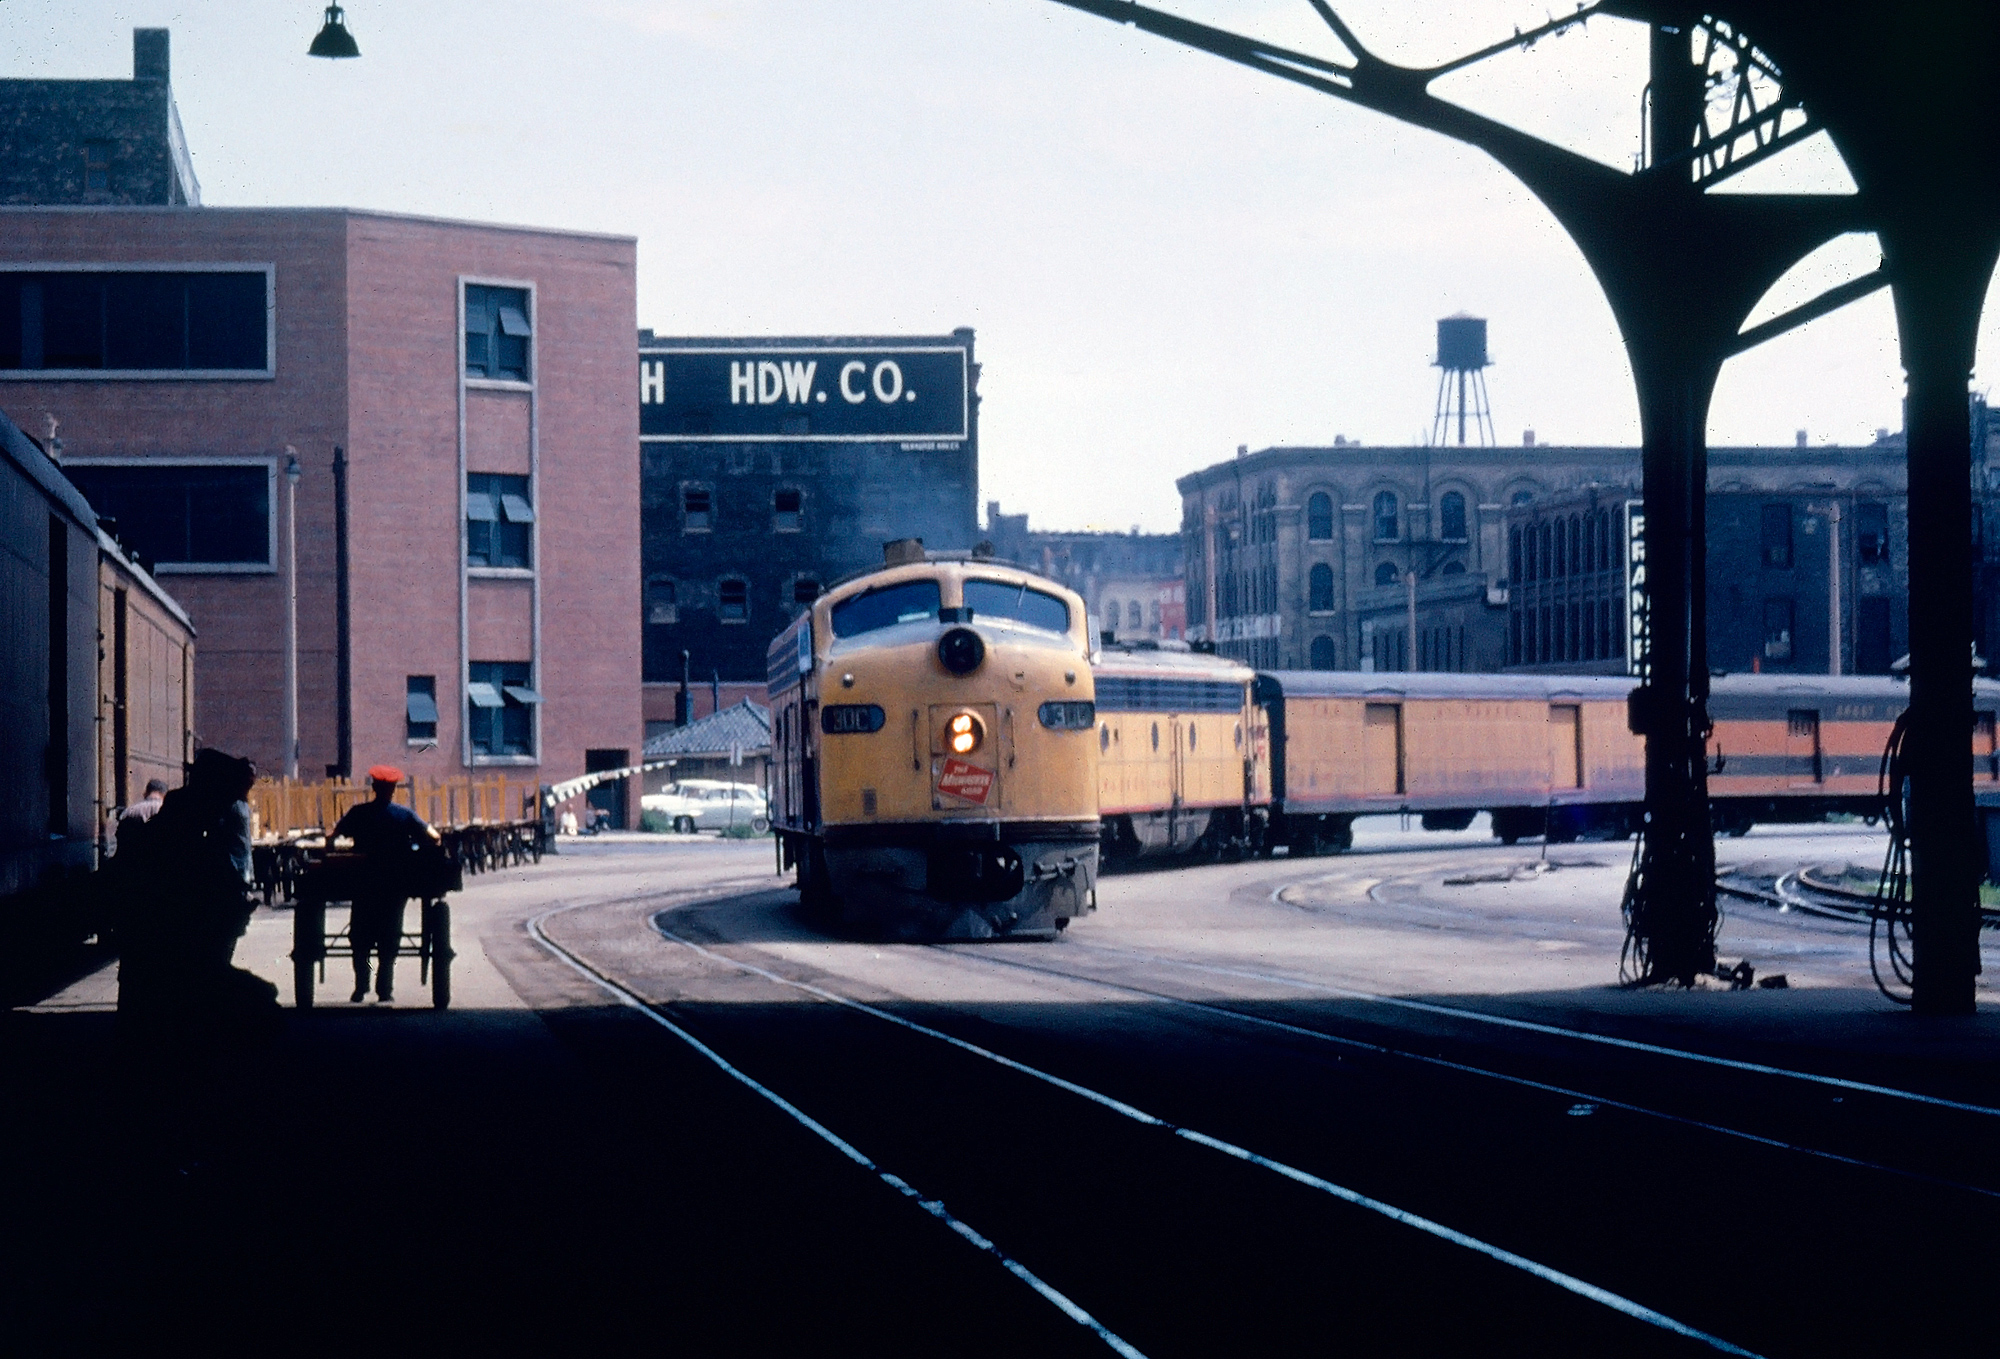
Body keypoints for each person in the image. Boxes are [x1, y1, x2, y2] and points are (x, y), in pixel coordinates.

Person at [331, 765, 432, 1004]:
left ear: (374, 787)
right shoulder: (404, 815)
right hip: (395, 885)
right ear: (393, 790)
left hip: (363, 883)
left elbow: (335, 835)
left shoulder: (359, 812)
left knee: (360, 936)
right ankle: (384, 988)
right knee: (390, 935)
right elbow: (428, 837)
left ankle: (361, 985)